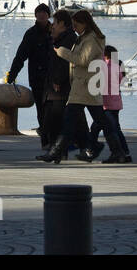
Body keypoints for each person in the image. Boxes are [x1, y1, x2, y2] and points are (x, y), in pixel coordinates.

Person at [52, 9, 130, 164]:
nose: (73, 28)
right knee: (102, 122)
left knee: (71, 120)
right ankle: (111, 151)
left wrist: (62, 52)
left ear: (85, 24)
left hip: (86, 86)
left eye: (76, 25)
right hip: (84, 86)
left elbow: (82, 60)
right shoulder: (85, 38)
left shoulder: (91, 40)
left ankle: (57, 152)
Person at [5, 3, 55, 147]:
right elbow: (21, 55)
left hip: (54, 77)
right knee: (41, 109)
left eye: (44, 13)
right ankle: (46, 141)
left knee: (52, 109)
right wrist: (12, 73)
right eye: (39, 13)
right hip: (37, 77)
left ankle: (53, 137)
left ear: (48, 15)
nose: (41, 16)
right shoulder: (31, 33)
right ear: (35, 16)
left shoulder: (55, 31)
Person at [36, 9, 75, 162]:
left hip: (60, 88)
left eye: (55, 23)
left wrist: (58, 80)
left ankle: (57, 151)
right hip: (53, 87)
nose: (52, 25)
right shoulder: (58, 38)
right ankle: (56, 151)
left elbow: (65, 63)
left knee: (54, 121)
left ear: (63, 24)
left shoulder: (68, 39)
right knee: (51, 121)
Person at [88, 46, 130, 161]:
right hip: (116, 103)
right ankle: (125, 154)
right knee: (114, 129)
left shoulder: (105, 66)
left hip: (106, 104)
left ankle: (92, 150)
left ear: (104, 55)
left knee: (99, 128)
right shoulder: (117, 66)